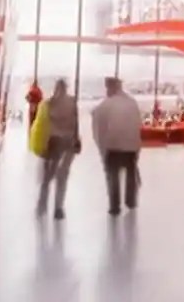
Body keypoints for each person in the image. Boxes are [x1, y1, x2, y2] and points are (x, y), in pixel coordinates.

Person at [92, 77, 142, 216]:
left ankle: (115, 206)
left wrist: (102, 149)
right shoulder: (132, 103)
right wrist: (137, 146)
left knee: (113, 176)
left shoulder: (104, 105)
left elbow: (99, 130)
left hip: (113, 146)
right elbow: (138, 125)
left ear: (110, 88)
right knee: (130, 173)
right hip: (131, 146)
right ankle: (131, 201)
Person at [36, 79, 80, 220]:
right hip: (66, 141)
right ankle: (58, 208)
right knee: (62, 176)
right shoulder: (71, 102)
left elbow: (42, 124)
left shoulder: (50, 104)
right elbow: (75, 123)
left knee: (48, 177)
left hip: (55, 141)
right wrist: (76, 138)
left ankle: (43, 205)